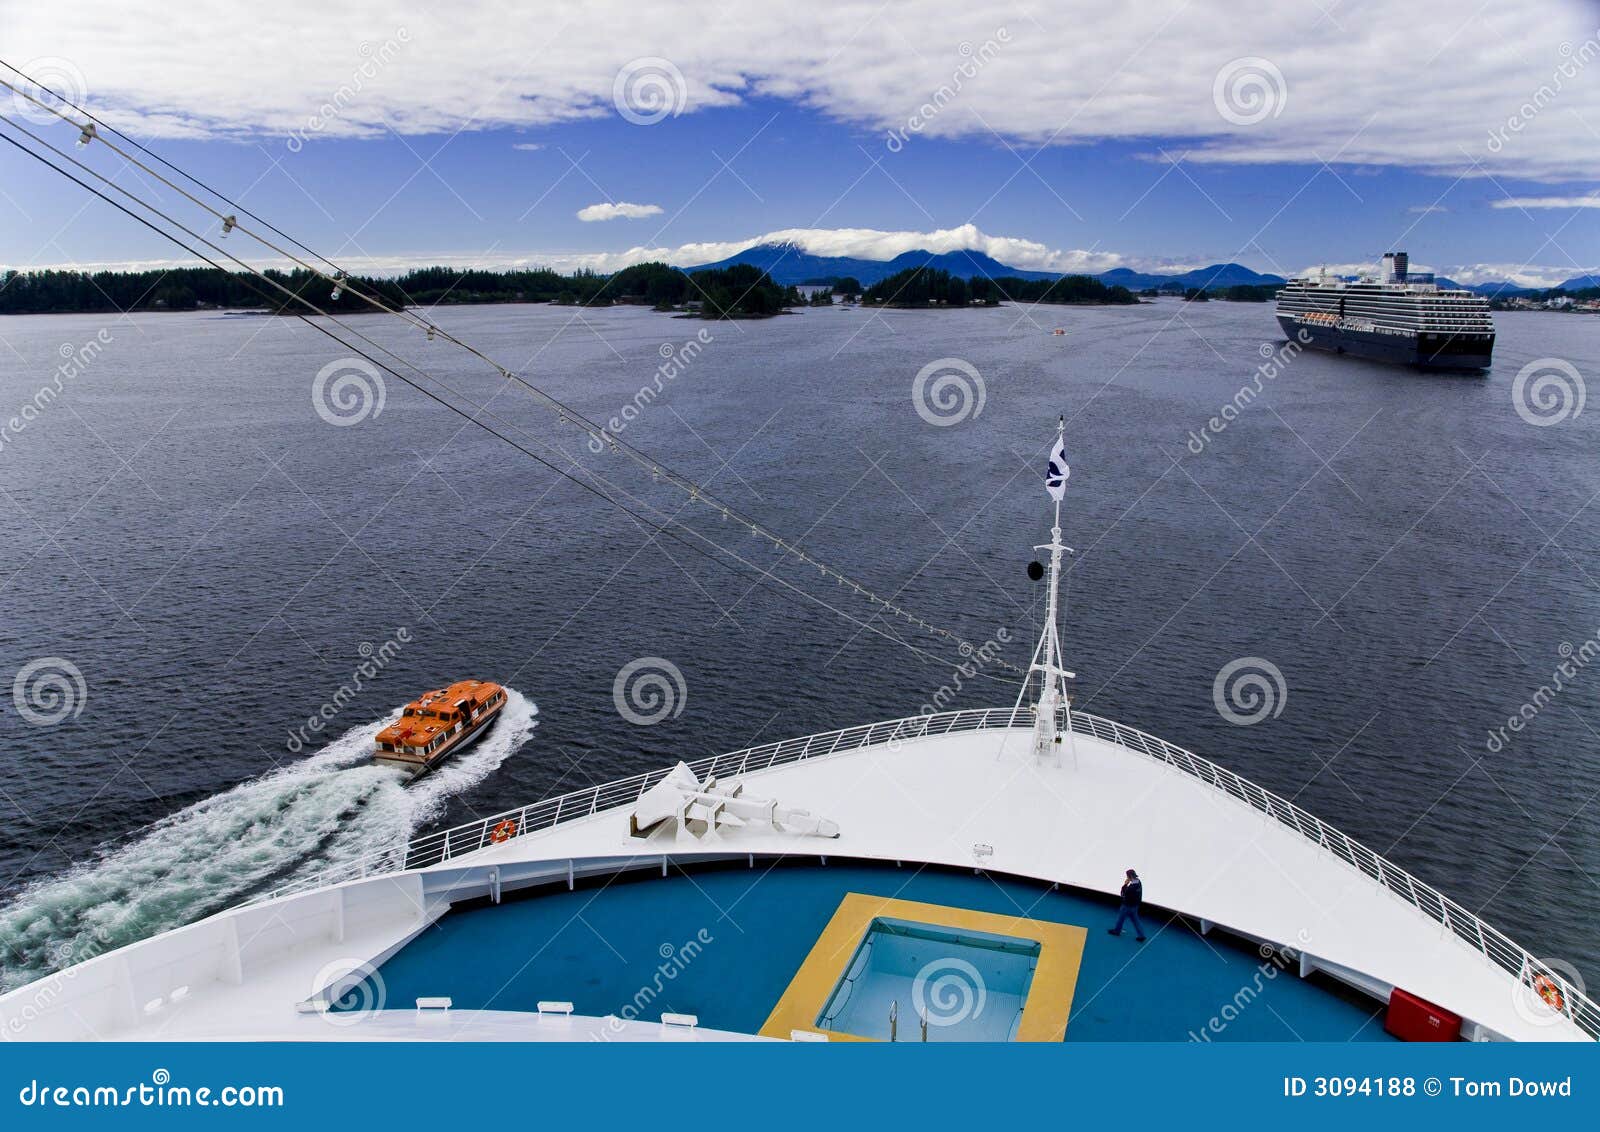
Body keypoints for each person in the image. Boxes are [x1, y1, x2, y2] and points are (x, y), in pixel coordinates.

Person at [1107, 868, 1146, 941]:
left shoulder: (1131, 888)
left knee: (1120, 919)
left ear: (1130, 876)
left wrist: (1125, 884)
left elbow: (1123, 893)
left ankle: (1117, 931)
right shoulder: (1139, 882)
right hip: (1135, 906)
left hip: (1127, 906)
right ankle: (1141, 935)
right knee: (1136, 920)